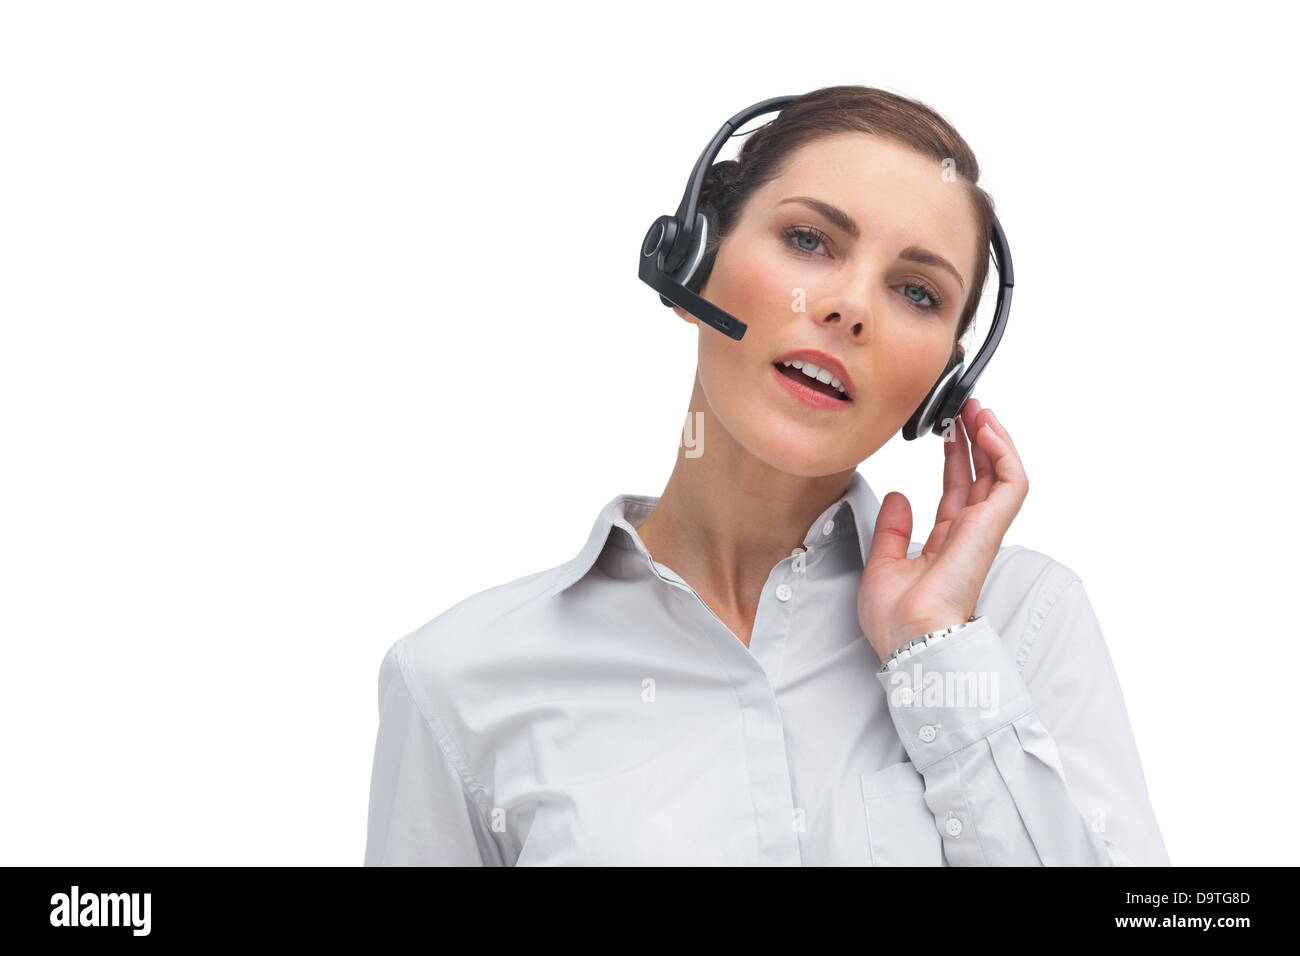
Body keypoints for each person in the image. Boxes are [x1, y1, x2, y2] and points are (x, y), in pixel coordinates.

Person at [363, 86, 1170, 866]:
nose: (851, 308)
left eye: (916, 291)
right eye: (811, 241)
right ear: (692, 259)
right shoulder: (456, 676)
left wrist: (937, 654)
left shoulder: (1021, 622)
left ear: (940, 387)